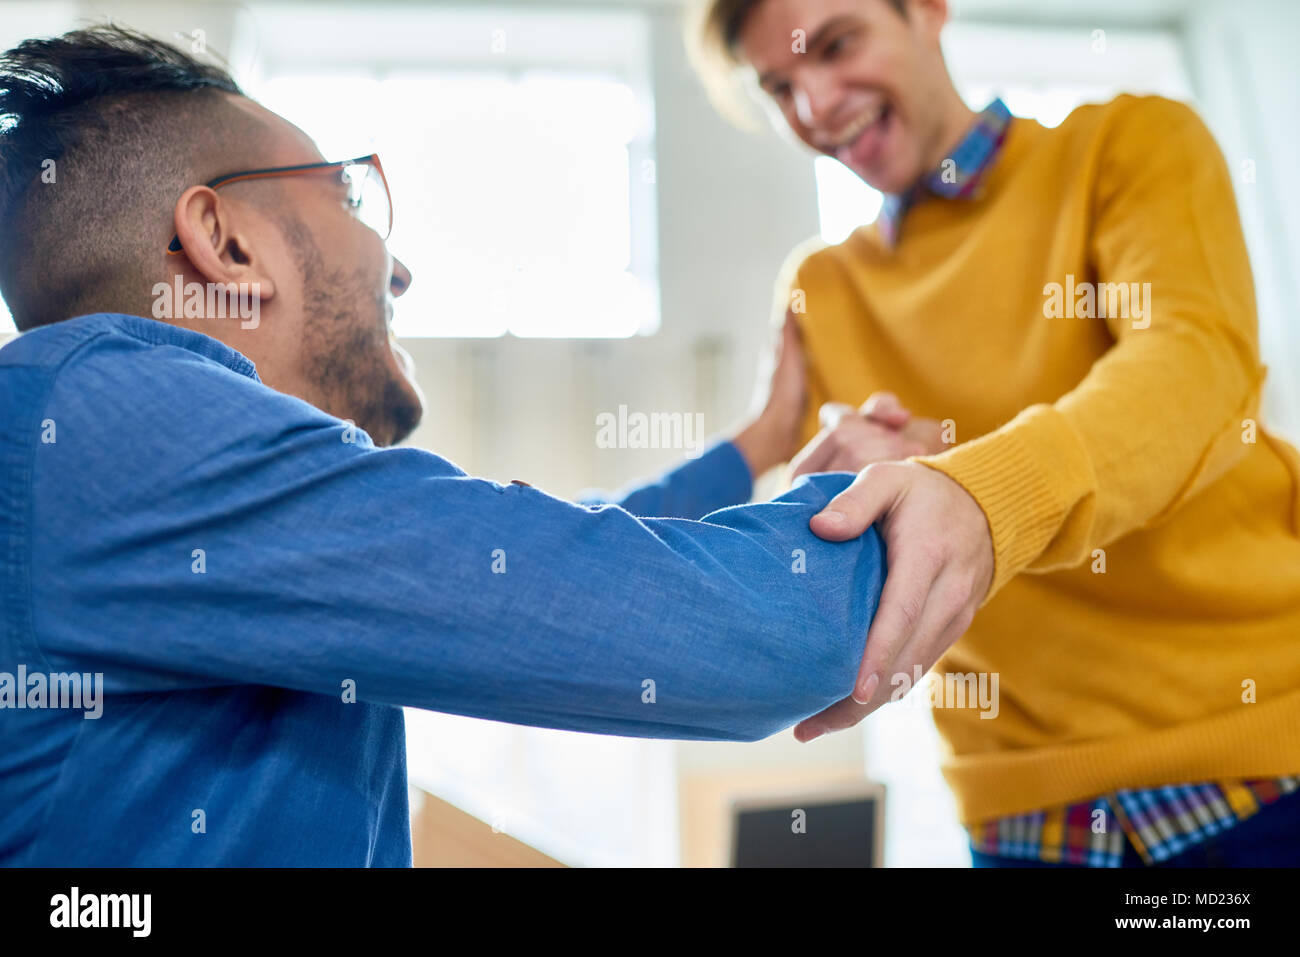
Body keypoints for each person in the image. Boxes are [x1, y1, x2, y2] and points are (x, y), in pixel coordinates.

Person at [0, 25, 894, 866]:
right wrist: (917, 498)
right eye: (348, 193)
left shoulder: (115, 449)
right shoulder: (114, 426)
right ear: (225, 245)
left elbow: (533, 556)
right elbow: (754, 637)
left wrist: (764, 443)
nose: (399, 268)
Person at [691, 0, 1300, 866]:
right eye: (780, 87)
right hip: (1024, 818)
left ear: (928, 10)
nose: (815, 106)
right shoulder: (821, 288)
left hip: (1263, 766)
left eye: (836, 45)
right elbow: (839, 548)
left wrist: (974, 489)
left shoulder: (1128, 145)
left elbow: (1195, 366)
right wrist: (790, 460)